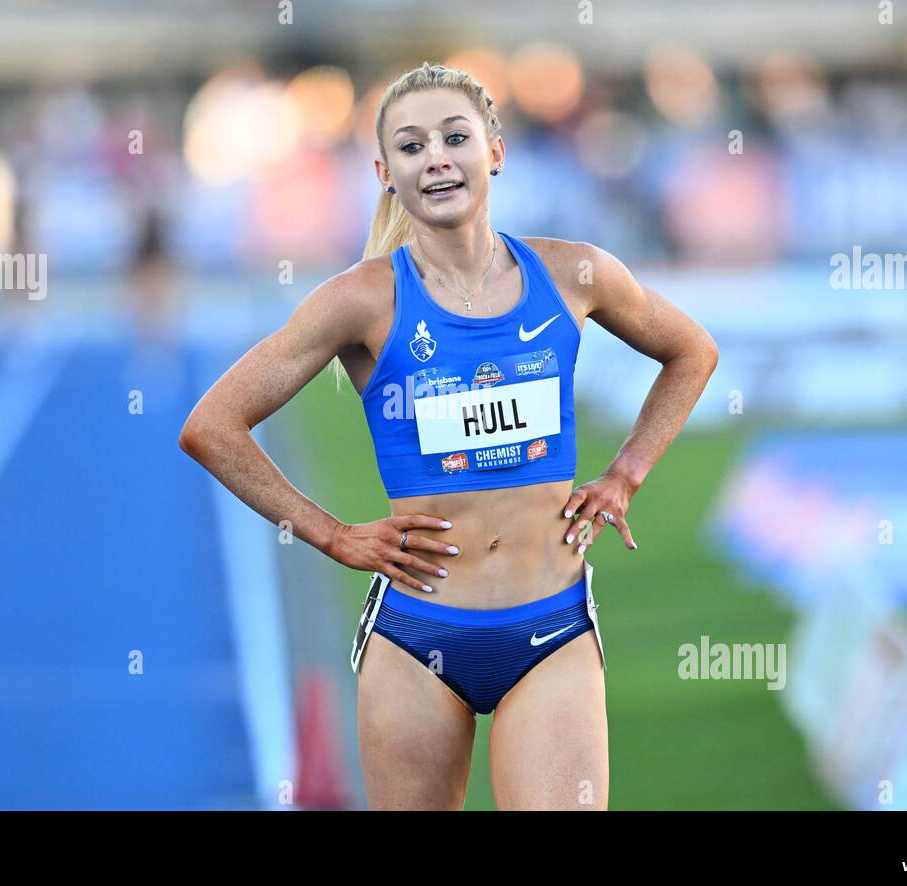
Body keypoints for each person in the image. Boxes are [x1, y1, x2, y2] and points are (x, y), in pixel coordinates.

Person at [179, 62, 718, 810]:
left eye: (454, 137)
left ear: (493, 150)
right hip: (415, 640)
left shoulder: (576, 274)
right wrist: (333, 536)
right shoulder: (359, 301)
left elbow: (692, 352)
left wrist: (625, 473)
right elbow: (212, 425)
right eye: (410, 145)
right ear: (384, 172)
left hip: (551, 633)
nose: (435, 156)